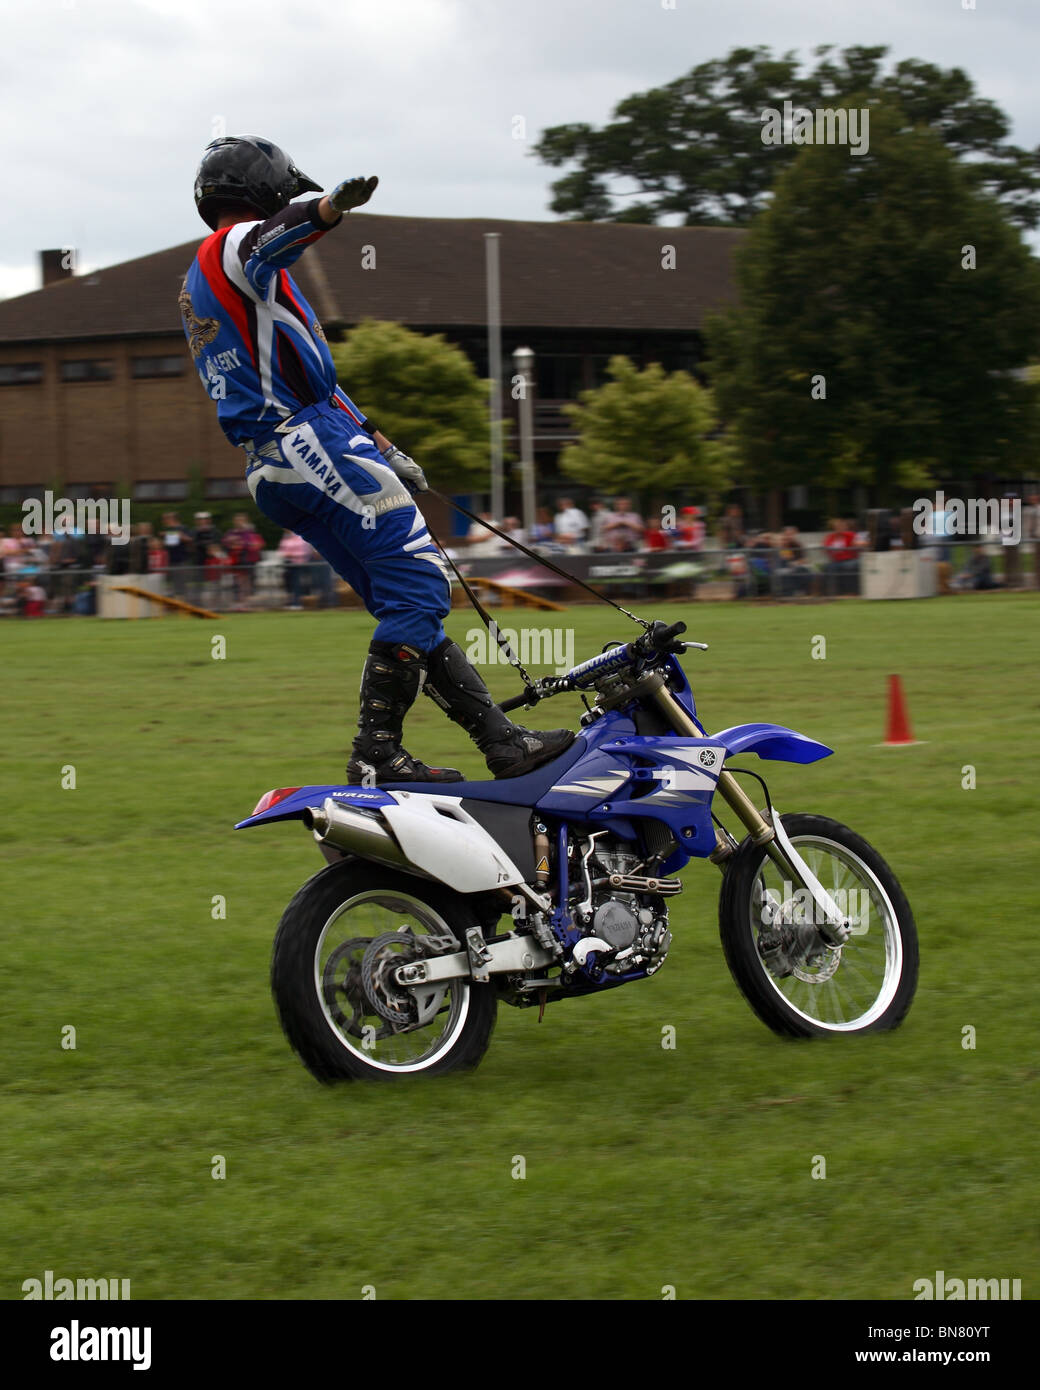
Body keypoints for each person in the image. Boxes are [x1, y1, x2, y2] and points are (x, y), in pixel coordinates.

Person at [182, 134, 571, 783]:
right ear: (264, 190)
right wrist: (329, 208)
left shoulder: (209, 282)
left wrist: (386, 447)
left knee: (406, 603)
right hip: (303, 440)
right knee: (420, 589)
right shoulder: (234, 249)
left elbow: (316, 380)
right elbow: (270, 237)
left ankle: (503, 743)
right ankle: (376, 754)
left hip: (275, 459)